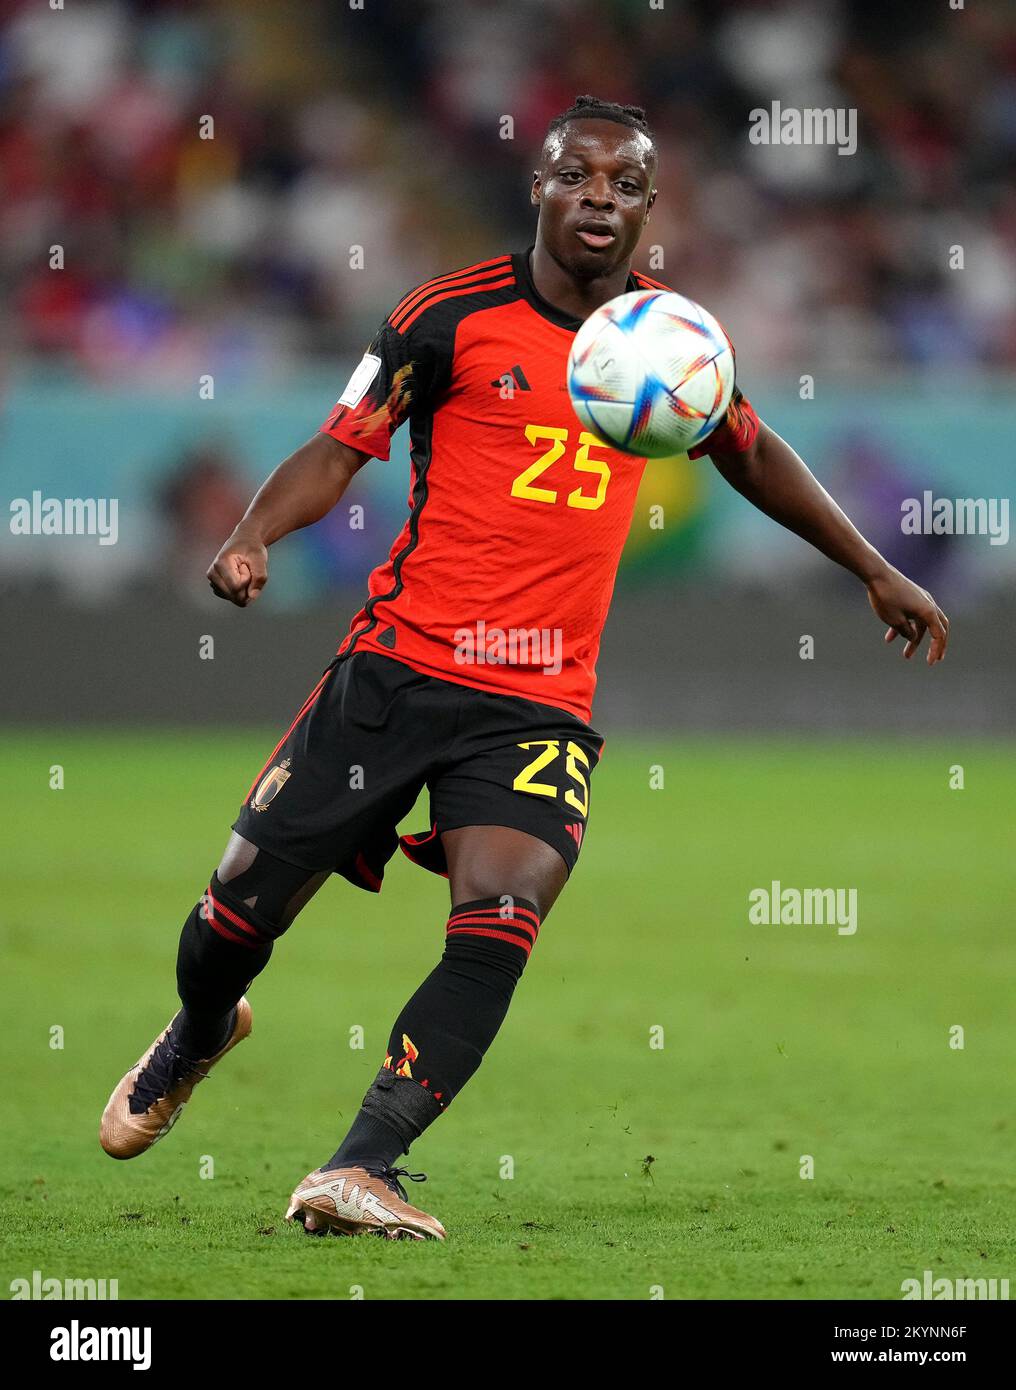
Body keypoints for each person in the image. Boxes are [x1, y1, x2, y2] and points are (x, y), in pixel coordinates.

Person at [100, 96, 949, 1241]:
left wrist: (868, 566)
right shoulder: (445, 318)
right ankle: (201, 1029)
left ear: (649, 207)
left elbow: (746, 446)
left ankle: (361, 1164)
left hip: (537, 699)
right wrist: (257, 531)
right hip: (397, 669)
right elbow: (335, 443)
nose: (599, 196)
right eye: (577, 175)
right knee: (236, 917)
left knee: (502, 909)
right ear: (539, 188)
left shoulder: (672, 344)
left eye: (625, 182)